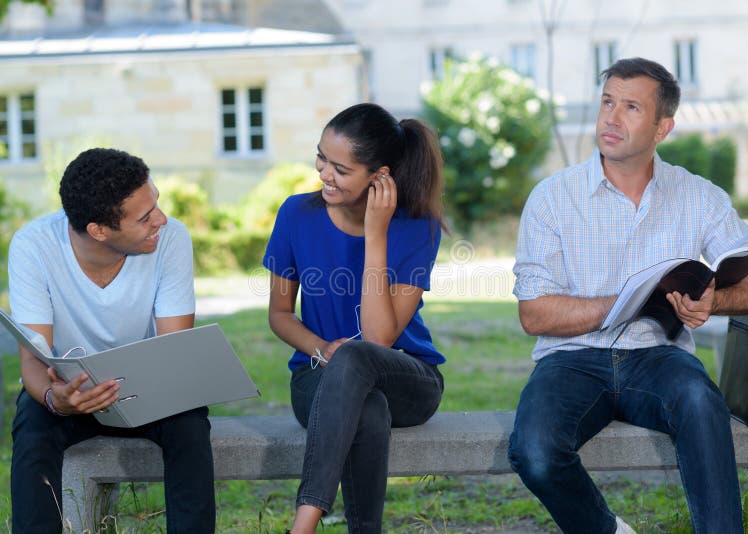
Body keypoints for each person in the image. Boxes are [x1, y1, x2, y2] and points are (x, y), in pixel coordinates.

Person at [508, 57, 748, 533]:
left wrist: (712, 301)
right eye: (607, 102)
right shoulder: (551, 197)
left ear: (663, 127)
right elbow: (534, 313)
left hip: (659, 357)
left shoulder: (698, 196)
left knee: (701, 402)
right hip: (570, 361)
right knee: (533, 451)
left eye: (631, 107)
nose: (611, 118)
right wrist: (624, 301)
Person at [9, 148, 215, 533]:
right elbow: (34, 360)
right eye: (145, 217)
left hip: (152, 390)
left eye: (156, 204)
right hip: (72, 392)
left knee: (189, 421)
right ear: (99, 230)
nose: (161, 219)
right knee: (33, 423)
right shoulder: (33, 246)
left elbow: (175, 349)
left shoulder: (170, 238)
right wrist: (58, 400)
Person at [264, 103, 447, 534]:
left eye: (340, 169)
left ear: (379, 175)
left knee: (358, 358)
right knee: (365, 403)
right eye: (321, 158)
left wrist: (376, 233)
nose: (324, 173)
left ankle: (302, 526)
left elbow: (380, 338)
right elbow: (278, 315)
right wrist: (322, 348)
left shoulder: (417, 227)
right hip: (317, 376)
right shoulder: (295, 214)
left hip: (407, 377)